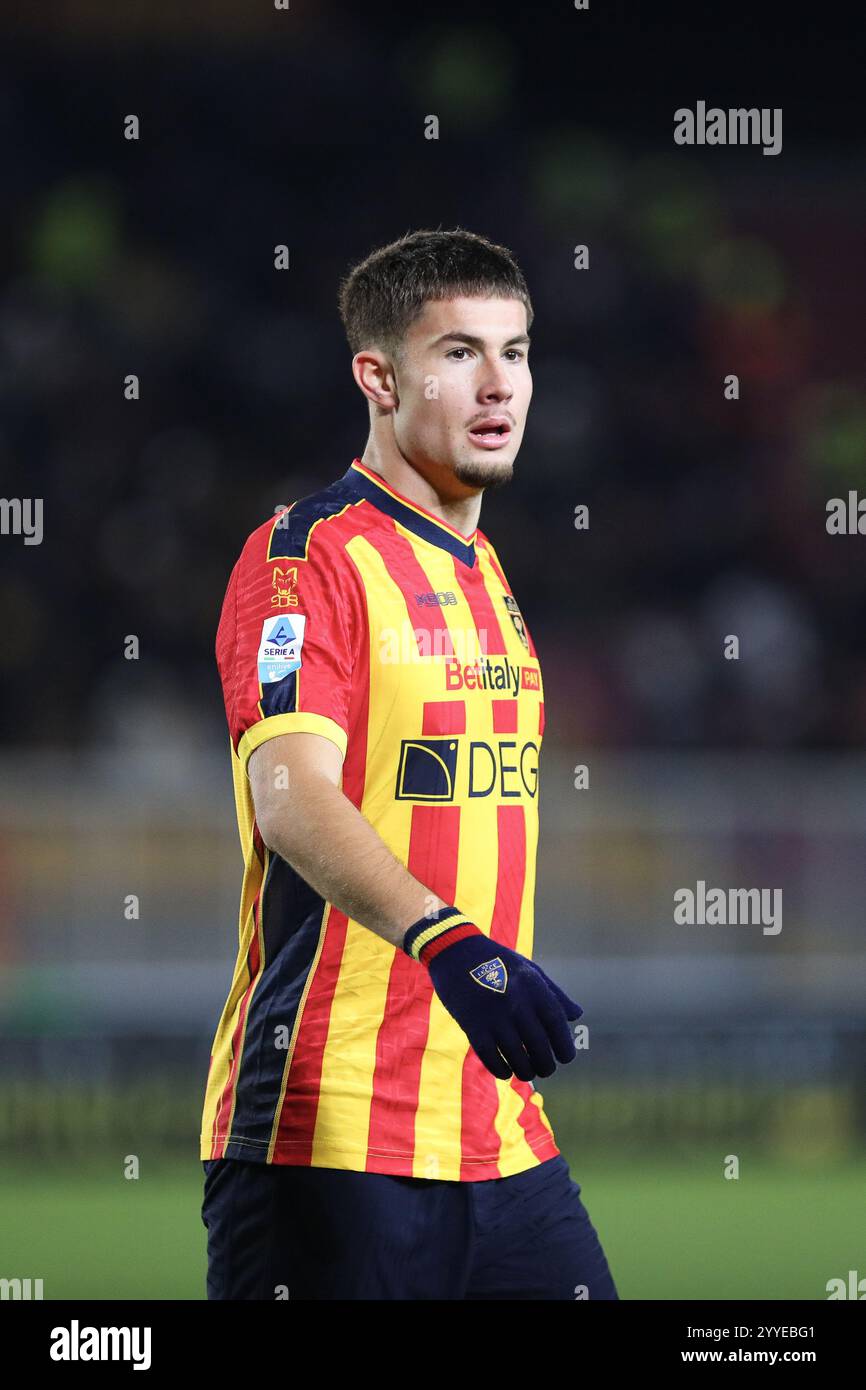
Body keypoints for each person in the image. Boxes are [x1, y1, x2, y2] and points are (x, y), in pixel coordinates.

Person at [200, 227, 618, 1300]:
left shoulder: (484, 571)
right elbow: (291, 795)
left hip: (497, 1132)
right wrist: (452, 944)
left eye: (516, 352)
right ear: (378, 377)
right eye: (458, 353)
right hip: (329, 1125)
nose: (498, 385)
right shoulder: (303, 558)